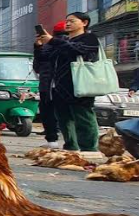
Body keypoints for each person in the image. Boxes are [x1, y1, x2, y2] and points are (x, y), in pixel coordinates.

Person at [36, 12, 102, 158]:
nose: (68, 23)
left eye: (72, 21)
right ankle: (71, 146)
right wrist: (39, 47)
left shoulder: (89, 38)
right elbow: (45, 60)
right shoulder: (63, 40)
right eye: (67, 21)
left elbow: (78, 50)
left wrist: (53, 41)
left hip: (80, 84)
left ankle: (90, 149)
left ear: (84, 23)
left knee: (83, 116)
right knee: (64, 117)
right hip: (60, 86)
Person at [33, 21, 66, 148]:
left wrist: (38, 47)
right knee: (70, 114)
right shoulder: (73, 43)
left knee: (48, 112)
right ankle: (74, 143)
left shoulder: (48, 46)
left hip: (48, 85)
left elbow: (37, 67)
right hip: (67, 85)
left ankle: (52, 140)